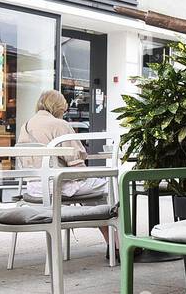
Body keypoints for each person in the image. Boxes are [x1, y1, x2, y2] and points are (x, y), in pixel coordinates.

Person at [17, 89, 114, 251]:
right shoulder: (59, 125)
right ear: (58, 107)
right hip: (59, 187)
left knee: (93, 195)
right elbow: (76, 160)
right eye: (64, 108)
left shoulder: (25, 126)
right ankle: (117, 243)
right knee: (111, 188)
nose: (65, 111)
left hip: (34, 188)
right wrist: (89, 173)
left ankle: (113, 243)